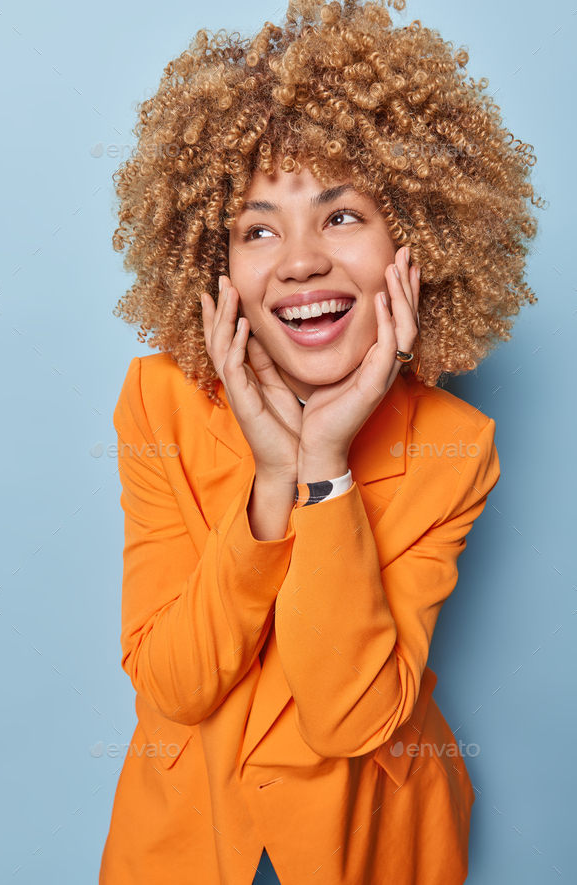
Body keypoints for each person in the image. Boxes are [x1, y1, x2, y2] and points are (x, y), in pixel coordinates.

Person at [99, 1, 542, 882]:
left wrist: (324, 465)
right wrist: (271, 482)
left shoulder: (457, 448)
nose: (299, 261)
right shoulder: (158, 403)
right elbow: (175, 685)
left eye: (341, 216)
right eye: (258, 229)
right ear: (215, 267)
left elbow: (352, 715)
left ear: (411, 244)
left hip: (370, 840)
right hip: (191, 839)